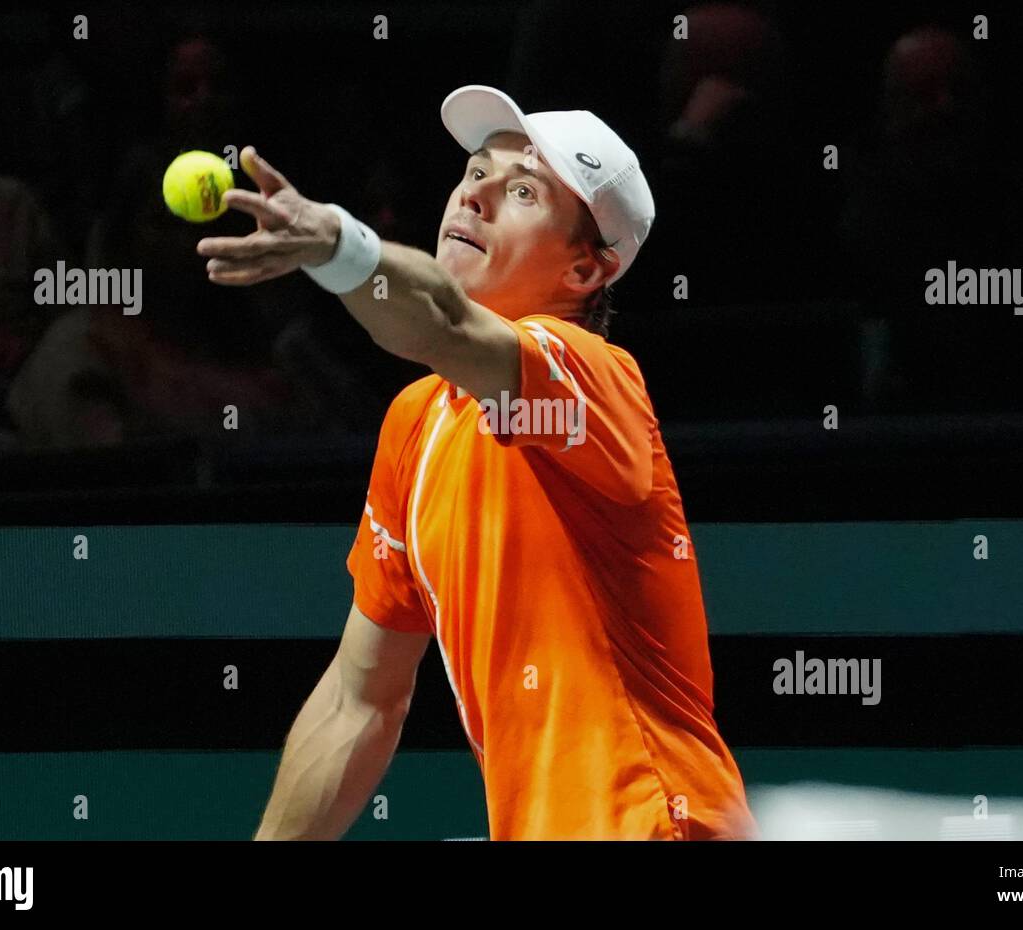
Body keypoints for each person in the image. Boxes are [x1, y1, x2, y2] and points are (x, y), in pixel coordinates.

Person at [198, 85, 754, 840]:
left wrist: (339, 246)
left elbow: (445, 324)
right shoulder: (416, 423)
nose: (477, 196)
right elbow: (358, 702)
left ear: (586, 272)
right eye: (475, 172)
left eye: (523, 190)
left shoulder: (593, 379)